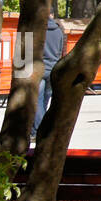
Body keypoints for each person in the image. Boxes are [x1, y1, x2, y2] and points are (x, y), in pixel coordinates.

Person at [32, 8, 66, 139]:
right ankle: (43, 127)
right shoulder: (59, 31)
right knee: (45, 101)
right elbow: (62, 52)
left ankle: (38, 131)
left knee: (38, 101)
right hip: (53, 68)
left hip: (40, 68)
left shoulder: (38, 31)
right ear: (52, 15)